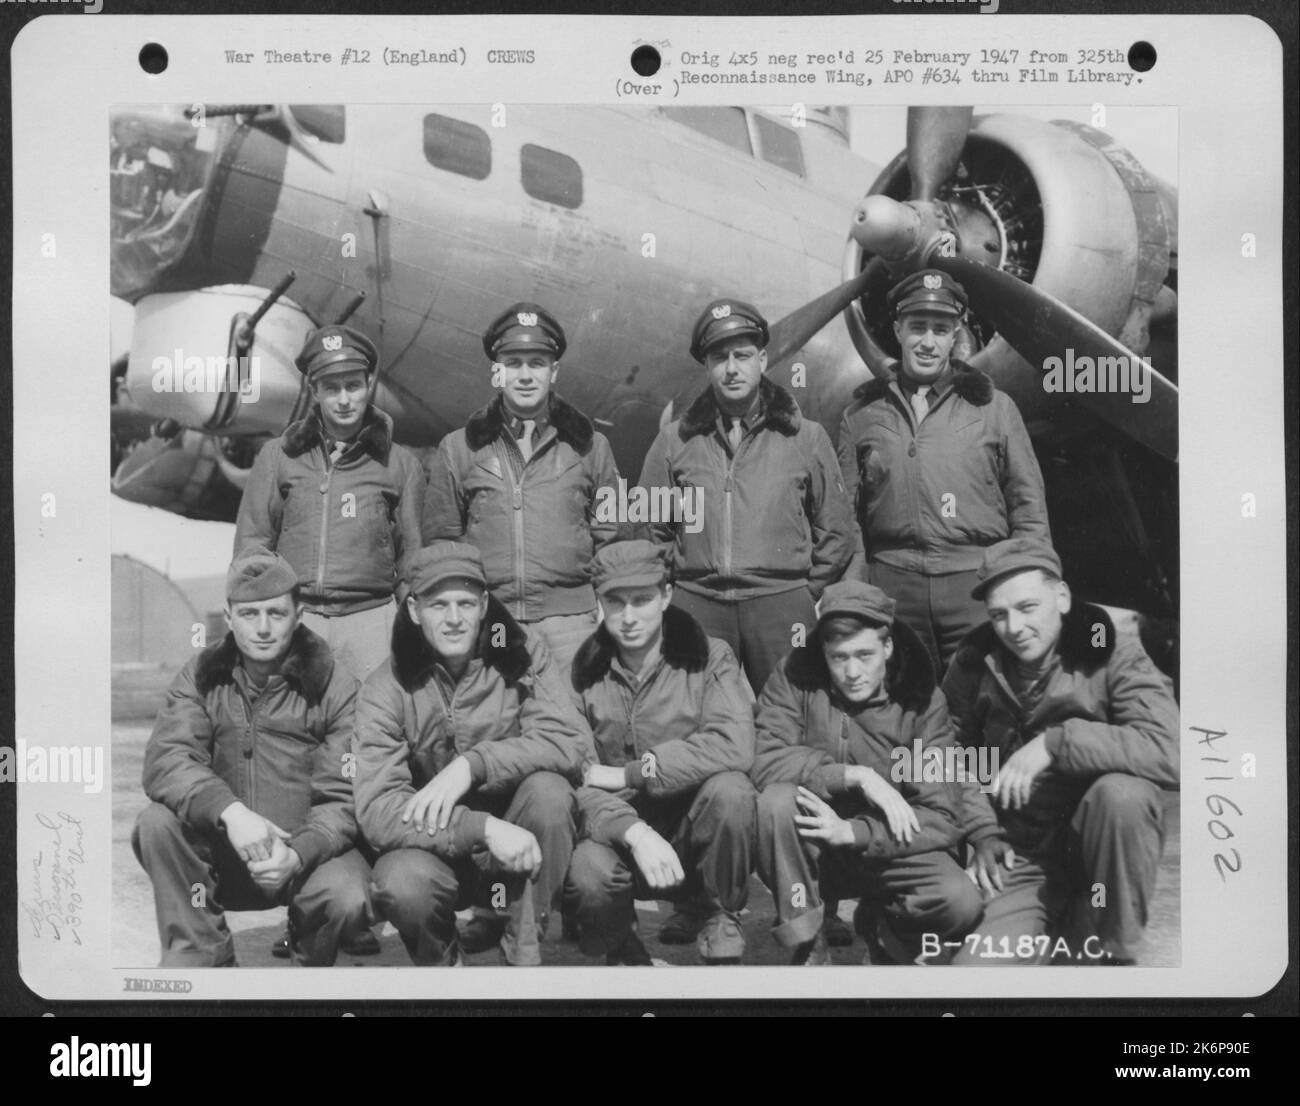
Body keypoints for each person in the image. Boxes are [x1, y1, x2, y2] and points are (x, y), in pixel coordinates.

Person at [354, 541, 591, 965]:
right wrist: (479, 828)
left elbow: (569, 742)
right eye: (438, 605)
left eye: (465, 603)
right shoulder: (385, 687)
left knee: (551, 795)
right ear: (412, 610)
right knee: (401, 882)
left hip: (519, 847)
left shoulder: (520, 653)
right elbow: (379, 812)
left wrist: (474, 764)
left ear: (484, 605)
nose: (453, 619)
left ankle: (523, 949)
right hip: (437, 850)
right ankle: (445, 967)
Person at [944, 538, 1179, 965]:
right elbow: (947, 757)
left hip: (1095, 856)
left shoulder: (1113, 654)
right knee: (974, 977)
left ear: (1062, 597)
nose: (1013, 627)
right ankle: (1060, 928)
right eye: (999, 614)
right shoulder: (972, 664)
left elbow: (1171, 750)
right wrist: (981, 830)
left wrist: (1058, 743)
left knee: (1122, 796)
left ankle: (1116, 954)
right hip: (1022, 856)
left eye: (1028, 607)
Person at [133, 552, 371, 966]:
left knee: (346, 896)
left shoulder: (337, 685)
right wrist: (231, 812)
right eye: (248, 613)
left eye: (276, 613)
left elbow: (348, 794)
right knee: (157, 824)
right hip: (227, 854)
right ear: (227, 615)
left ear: (299, 614)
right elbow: (168, 758)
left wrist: (299, 852)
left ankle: (309, 954)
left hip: (307, 857)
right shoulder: (201, 675)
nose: (262, 628)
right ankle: (203, 957)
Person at [752, 580, 983, 965]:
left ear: (888, 647)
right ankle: (807, 939)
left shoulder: (922, 700)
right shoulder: (796, 677)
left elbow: (942, 815)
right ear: (823, 653)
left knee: (959, 902)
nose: (852, 672)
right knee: (775, 802)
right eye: (839, 657)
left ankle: (885, 927)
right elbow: (763, 758)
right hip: (816, 848)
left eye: (864, 655)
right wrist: (853, 775)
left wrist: (856, 832)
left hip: (888, 847)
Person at [638, 297, 854, 699]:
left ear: (763, 358)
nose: (732, 367)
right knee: (691, 715)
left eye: (743, 354)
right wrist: (680, 583)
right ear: (707, 366)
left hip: (780, 605)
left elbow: (837, 529)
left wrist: (799, 593)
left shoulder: (806, 437)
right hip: (697, 603)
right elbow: (651, 529)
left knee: (795, 716)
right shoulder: (673, 441)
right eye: (720, 357)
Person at [838, 269, 1051, 674]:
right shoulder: (861, 415)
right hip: (893, 587)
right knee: (903, 711)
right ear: (898, 330)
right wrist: (854, 593)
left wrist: (1028, 584)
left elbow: (1027, 506)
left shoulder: (995, 408)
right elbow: (846, 518)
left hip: (977, 584)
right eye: (918, 327)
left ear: (956, 335)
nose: (928, 342)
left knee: (985, 707)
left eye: (941, 329)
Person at [563, 540, 757, 965]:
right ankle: (619, 938)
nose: (629, 617)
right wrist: (633, 830)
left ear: (666, 596)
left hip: (690, 827)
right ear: (599, 603)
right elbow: (576, 773)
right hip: (619, 830)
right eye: (615, 601)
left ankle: (720, 912)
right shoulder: (578, 673)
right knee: (588, 870)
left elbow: (736, 744)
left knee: (733, 791)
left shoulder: (709, 658)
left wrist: (637, 772)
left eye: (642, 600)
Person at [422, 302, 621, 679]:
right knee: (499, 720)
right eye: (513, 363)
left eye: (537, 362)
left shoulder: (594, 448)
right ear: (497, 371)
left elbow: (612, 539)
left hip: (571, 625)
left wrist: (604, 610)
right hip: (495, 623)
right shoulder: (458, 448)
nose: (525, 375)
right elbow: (442, 543)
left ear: (554, 370)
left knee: (574, 726)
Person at [234, 324, 425, 685]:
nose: (343, 399)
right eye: (331, 388)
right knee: (292, 729)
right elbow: (252, 548)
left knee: (371, 730)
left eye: (353, 386)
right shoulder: (277, 457)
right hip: (297, 619)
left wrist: (411, 630)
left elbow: (413, 559)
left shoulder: (401, 465)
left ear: (369, 384)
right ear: (313, 389)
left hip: (372, 624)